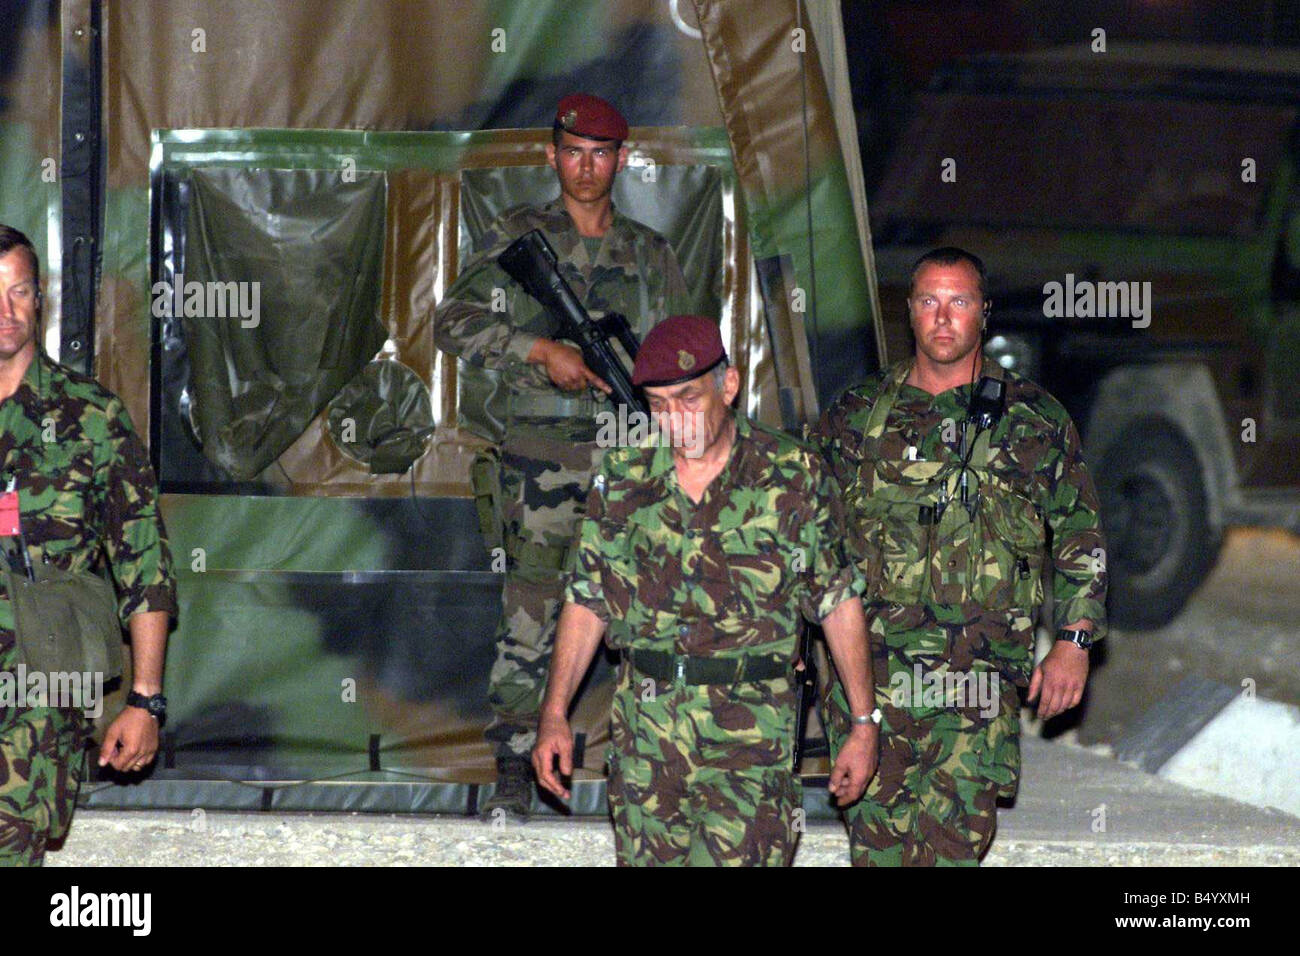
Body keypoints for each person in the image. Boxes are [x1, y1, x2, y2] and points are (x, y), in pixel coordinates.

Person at [534, 314, 879, 866]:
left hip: (751, 741)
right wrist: (554, 714)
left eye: (689, 398)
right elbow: (587, 597)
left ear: (730, 385)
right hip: (646, 737)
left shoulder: (791, 476)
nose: (676, 419)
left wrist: (863, 724)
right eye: (659, 404)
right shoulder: (623, 478)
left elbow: (838, 603)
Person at [435, 93, 688, 821]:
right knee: (534, 607)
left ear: (621, 159)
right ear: (552, 156)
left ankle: (647, 759)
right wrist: (537, 350)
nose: (587, 166)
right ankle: (515, 759)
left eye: (601, 153)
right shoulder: (517, 237)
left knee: (647, 606)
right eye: (573, 152)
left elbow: (681, 353)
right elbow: (452, 320)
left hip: (634, 460)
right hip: (541, 458)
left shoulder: (650, 253)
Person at [811, 246, 1107, 866]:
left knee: (953, 853)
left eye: (960, 302)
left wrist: (1073, 643)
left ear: (983, 314)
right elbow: (808, 546)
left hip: (975, 685)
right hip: (873, 684)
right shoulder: (854, 417)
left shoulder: (1035, 420)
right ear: (909, 312)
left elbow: (1080, 537)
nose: (943, 319)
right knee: (878, 854)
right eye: (929, 302)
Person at [0, 224, 177, 866]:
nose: (6, 312)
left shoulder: (90, 417)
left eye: (19, 292)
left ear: (39, 297)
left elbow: (145, 563)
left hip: (40, 701)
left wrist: (145, 700)